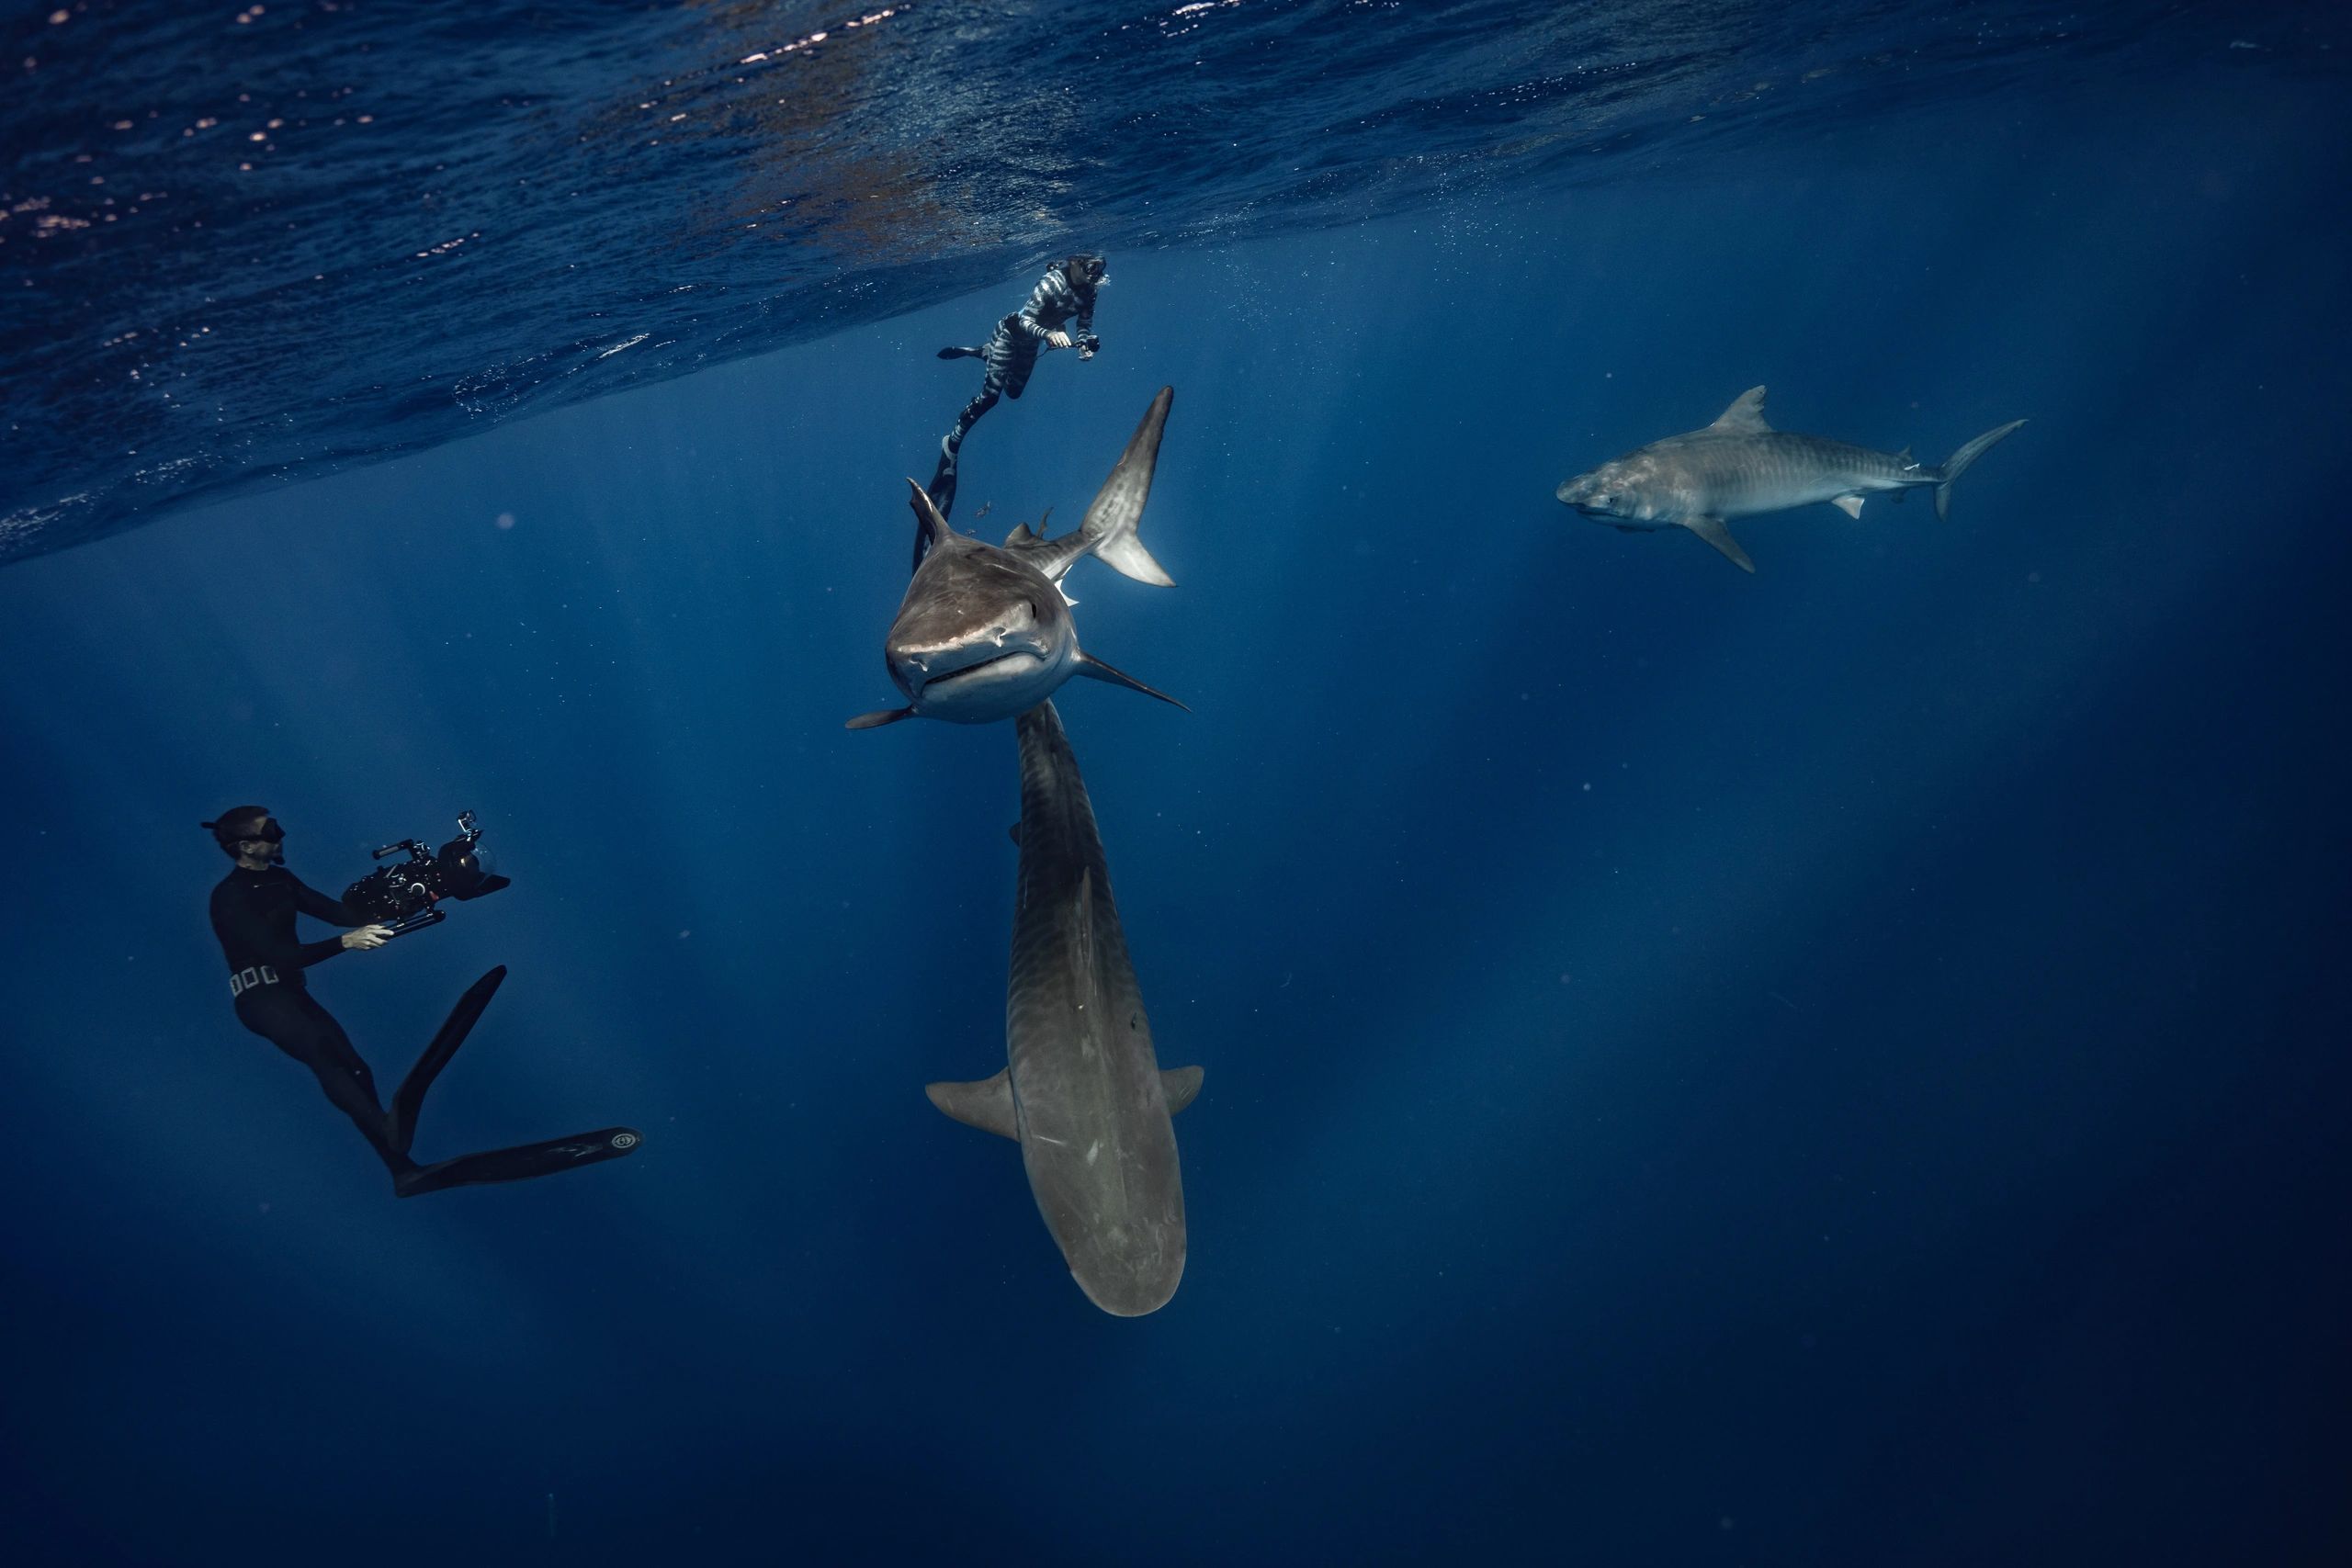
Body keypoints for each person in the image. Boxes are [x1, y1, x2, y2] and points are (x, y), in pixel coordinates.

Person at [203, 806, 639, 1197]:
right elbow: (277, 955)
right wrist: (345, 943)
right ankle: (391, 1136)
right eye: (272, 830)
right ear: (245, 845)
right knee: (324, 1054)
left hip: (288, 992)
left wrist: (420, 889)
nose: (281, 836)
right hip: (260, 997)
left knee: (357, 1069)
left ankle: (403, 1171)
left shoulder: (280, 880)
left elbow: (343, 914)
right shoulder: (230, 895)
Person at [922, 253, 1109, 567]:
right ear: (1073, 262)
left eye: (1100, 268)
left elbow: (1085, 325)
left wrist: (1086, 345)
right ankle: (951, 442)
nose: (1095, 273)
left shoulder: (1091, 290)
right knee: (991, 396)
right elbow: (1024, 320)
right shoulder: (1050, 284)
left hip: (1030, 345)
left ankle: (983, 353)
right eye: (1090, 267)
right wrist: (1049, 334)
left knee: (1014, 392)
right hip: (1011, 335)